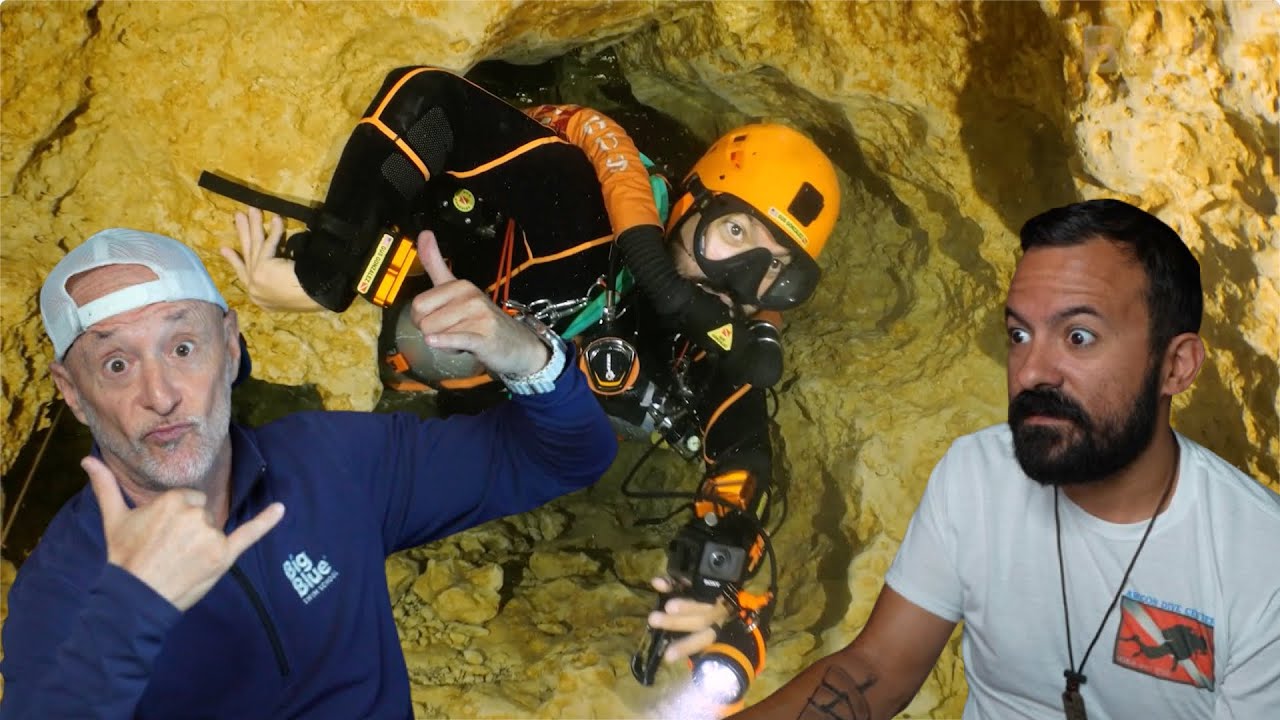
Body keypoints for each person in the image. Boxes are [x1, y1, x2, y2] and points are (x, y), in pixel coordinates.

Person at [206, 65, 842, 692]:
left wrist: (714, 578)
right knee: (428, 356)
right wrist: (328, 273)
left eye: (774, 267)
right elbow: (429, 100)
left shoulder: (711, 349)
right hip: (459, 313)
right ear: (689, 202)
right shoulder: (579, 213)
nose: (741, 278)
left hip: (509, 416)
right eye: (735, 231)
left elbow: (743, 456)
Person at [0, 226, 618, 718]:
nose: (159, 396)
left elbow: (567, 456)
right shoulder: (63, 589)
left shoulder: (335, 461)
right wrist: (127, 616)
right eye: (115, 364)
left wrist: (524, 353)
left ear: (230, 347)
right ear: (72, 392)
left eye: (182, 348)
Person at [729, 199, 1280, 719]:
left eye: (1079, 336)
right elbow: (876, 670)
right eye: (1019, 334)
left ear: (1176, 366)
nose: (1031, 371)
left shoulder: (1260, 561)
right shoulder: (977, 474)